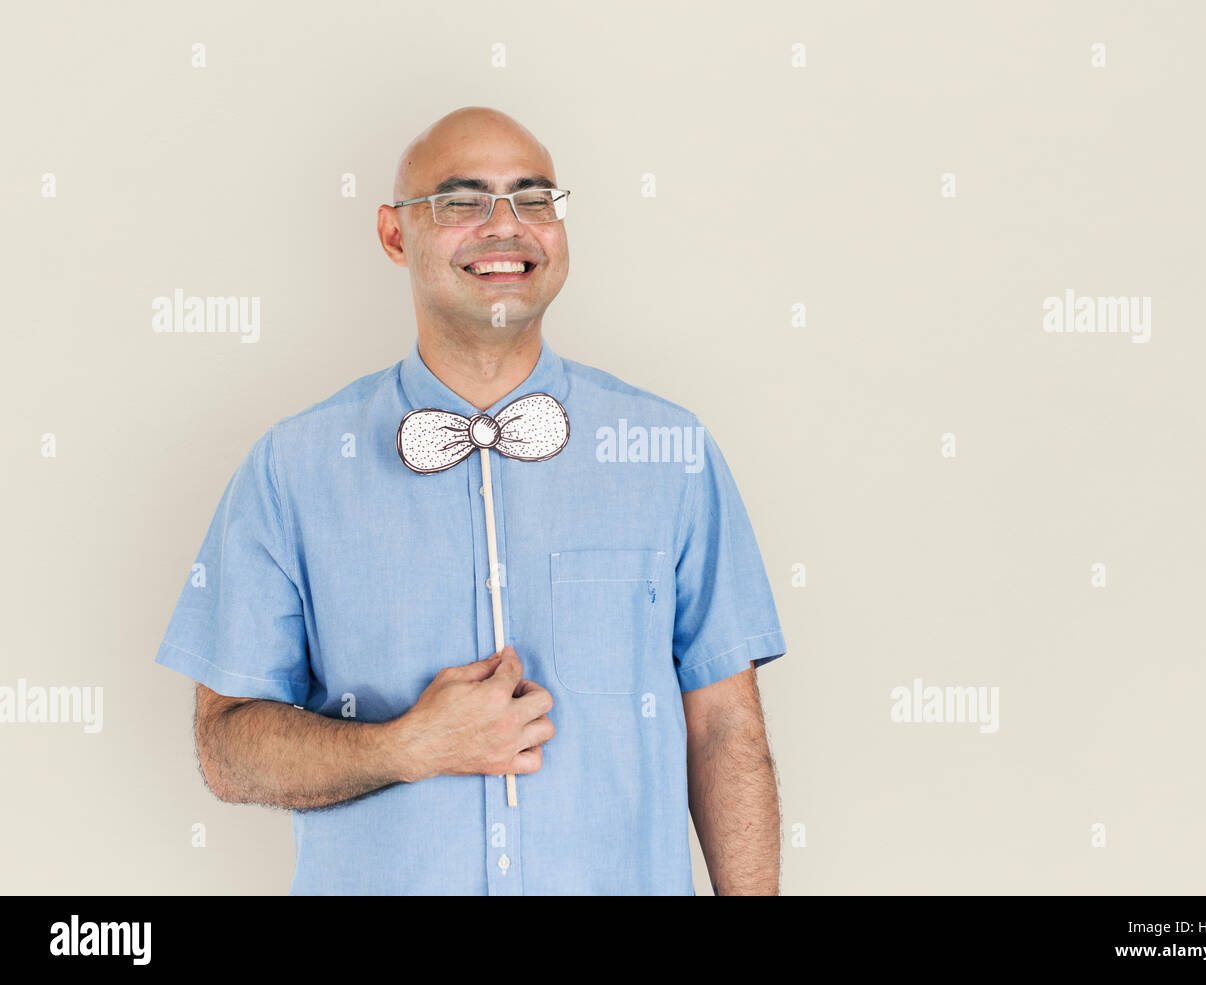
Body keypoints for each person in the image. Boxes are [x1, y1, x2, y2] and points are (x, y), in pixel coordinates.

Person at [154, 106, 788, 895]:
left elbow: (725, 728)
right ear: (394, 235)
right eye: (462, 201)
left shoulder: (669, 453)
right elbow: (227, 746)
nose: (506, 226)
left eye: (533, 198)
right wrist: (407, 745)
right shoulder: (292, 469)